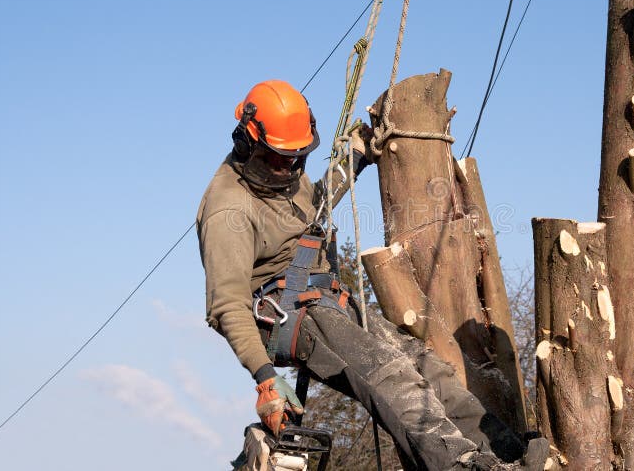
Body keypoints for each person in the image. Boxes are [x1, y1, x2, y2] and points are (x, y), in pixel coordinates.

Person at [197, 79, 542, 470]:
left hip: (324, 298)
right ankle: (460, 465)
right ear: (247, 144)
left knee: (425, 366)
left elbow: (312, 208)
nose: (288, 167)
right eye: (278, 159)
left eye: (295, 159)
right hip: (286, 312)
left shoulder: (284, 175)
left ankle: (506, 451)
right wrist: (264, 379)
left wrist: (355, 157)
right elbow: (226, 306)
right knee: (392, 377)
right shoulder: (228, 210)